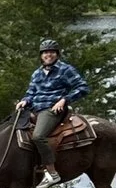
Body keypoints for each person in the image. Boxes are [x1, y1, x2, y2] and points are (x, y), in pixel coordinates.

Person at [19, 37, 88, 170]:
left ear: (57, 54)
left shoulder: (65, 70)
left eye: (52, 52)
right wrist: (24, 100)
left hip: (51, 109)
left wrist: (64, 100)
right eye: (45, 52)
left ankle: (51, 171)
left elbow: (82, 87)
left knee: (38, 136)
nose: (48, 55)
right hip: (34, 108)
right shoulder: (37, 73)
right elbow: (31, 92)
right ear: (41, 56)